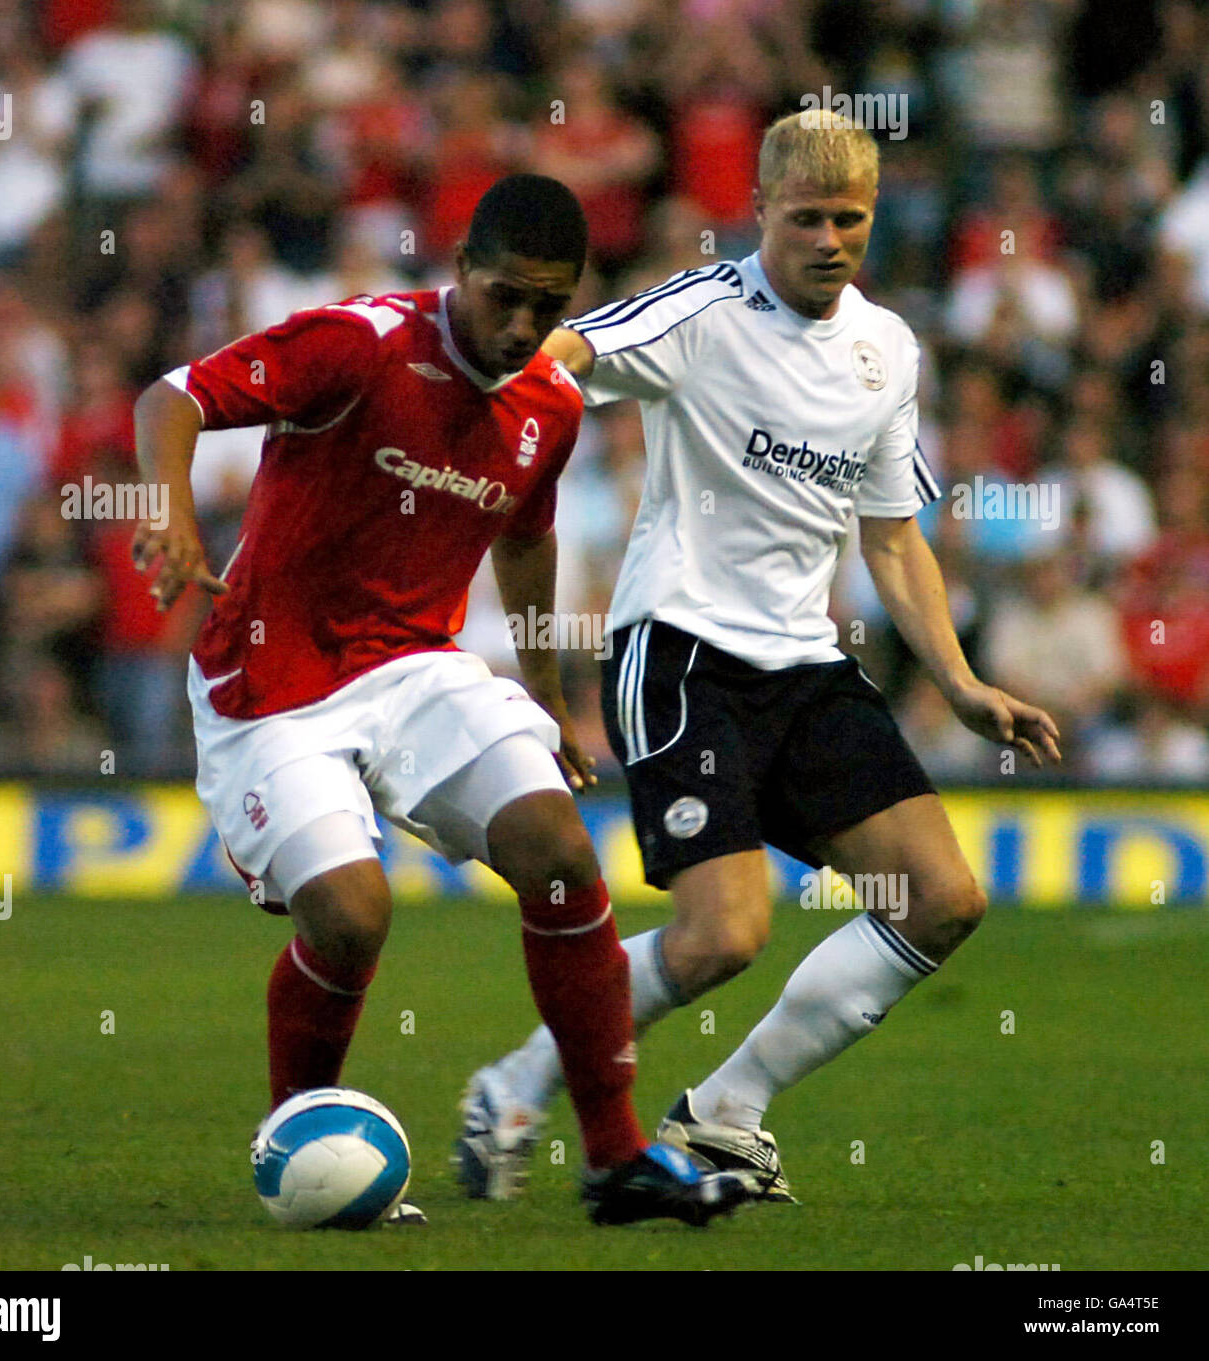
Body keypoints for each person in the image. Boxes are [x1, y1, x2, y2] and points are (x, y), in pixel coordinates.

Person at [459, 115, 1062, 1203]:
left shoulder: (887, 349)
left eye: (850, 218)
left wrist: (962, 681)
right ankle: (511, 1084)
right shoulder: (700, 312)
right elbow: (559, 357)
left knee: (939, 897)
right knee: (723, 935)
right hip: (680, 654)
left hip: (805, 667)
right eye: (806, 218)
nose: (829, 239)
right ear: (760, 212)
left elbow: (890, 532)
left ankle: (727, 1110)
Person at [130, 174, 746, 1228]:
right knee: (353, 914)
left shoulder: (549, 404)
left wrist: (546, 693)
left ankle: (615, 1156)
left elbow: (523, 531)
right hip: (270, 683)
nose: (521, 326)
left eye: (548, 307)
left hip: (417, 665)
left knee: (558, 850)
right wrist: (168, 511)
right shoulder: (359, 342)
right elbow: (171, 398)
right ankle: (299, 1134)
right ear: (458, 267)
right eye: (503, 295)